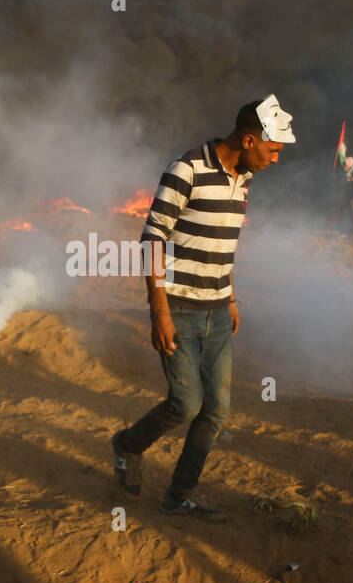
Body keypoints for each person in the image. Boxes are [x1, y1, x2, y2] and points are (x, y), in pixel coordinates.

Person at [111, 95, 294, 522]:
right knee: (186, 404)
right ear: (249, 140)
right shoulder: (187, 169)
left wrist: (229, 297)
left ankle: (179, 496)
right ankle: (128, 445)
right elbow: (152, 238)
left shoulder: (243, 178)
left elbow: (222, 244)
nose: (275, 159)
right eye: (273, 150)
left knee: (216, 410)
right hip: (178, 308)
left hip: (216, 310)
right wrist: (158, 310)